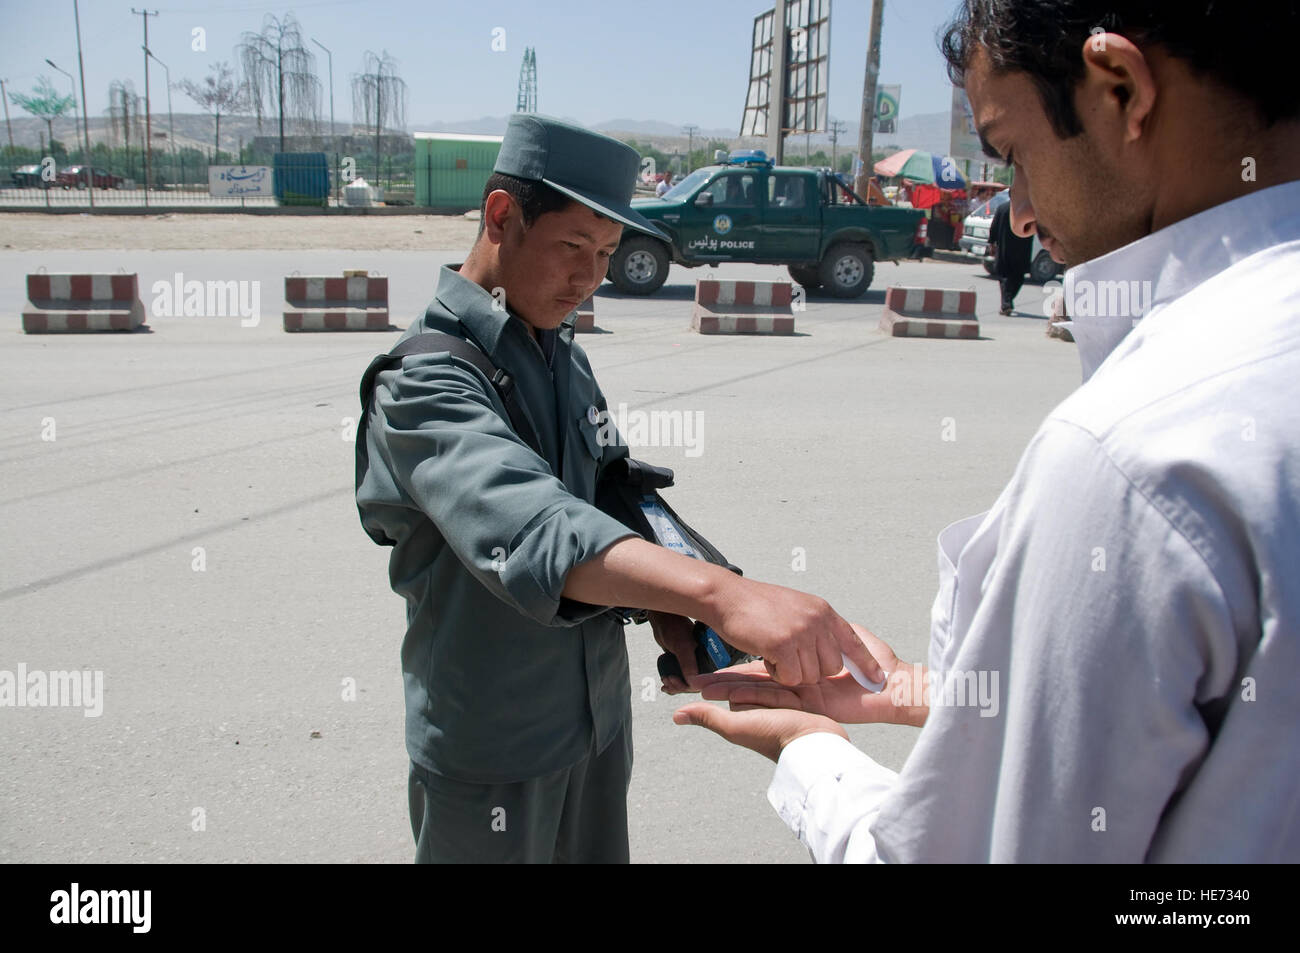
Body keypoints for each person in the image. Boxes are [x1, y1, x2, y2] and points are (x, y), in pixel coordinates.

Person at [675, 0, 1300, 862]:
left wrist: (805, 750)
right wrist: (935, 694)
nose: (1019, 212)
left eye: (1013, 155)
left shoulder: (1135, 456)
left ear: (1121, 89)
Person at [356, 113, 880, 863]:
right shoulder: (427, 380)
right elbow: (536, 528)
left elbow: (610, 491)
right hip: (495, 748)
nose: (590, 276)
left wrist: (677, 608)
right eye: (572, 246)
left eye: (606, 252)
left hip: (595, 724)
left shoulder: (557, 352)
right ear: (502, 216)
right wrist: (719, 596)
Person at [989, 196, 1032, 313]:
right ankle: (1006, 304)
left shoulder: (1003, 208)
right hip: (1020, 251)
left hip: (1006, 251)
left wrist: (991, 244)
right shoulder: (1026, 211)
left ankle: (1007, 302)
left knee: (1007, 278)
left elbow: (993, 228)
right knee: (1014, 278)